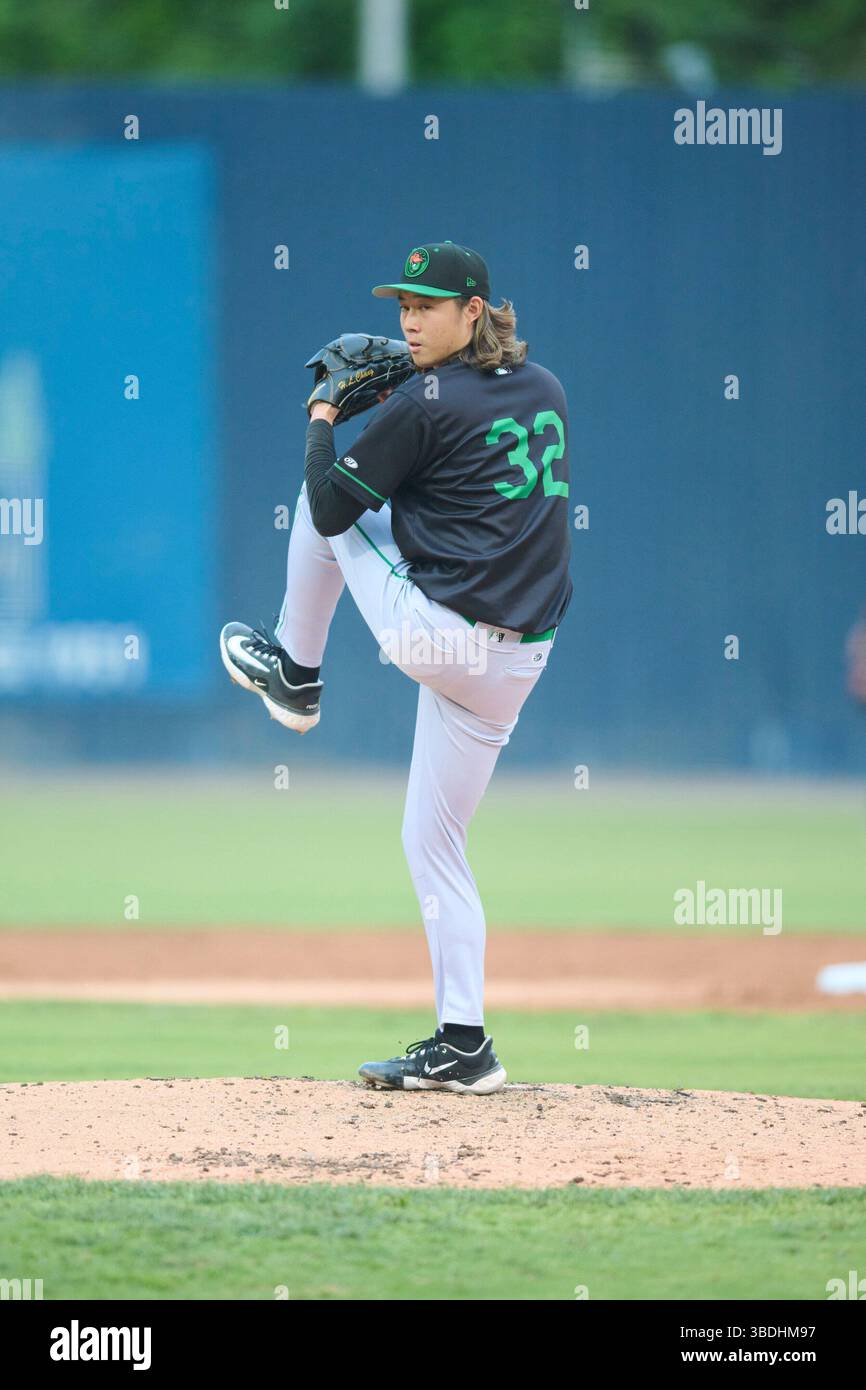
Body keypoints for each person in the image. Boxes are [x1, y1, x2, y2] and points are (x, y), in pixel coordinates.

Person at [220, 241, 572, 1094]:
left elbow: (333, 501)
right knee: (433, 841)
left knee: (322, 506)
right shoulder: (545, 389)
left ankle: (295, 671)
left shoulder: (424, 407)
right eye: (402, 305)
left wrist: (323, 411)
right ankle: (465, 1046)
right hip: (519, 661)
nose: (409, 319)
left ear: (474, 313)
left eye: (428, 304)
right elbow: (467, 482)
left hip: (443, 642)